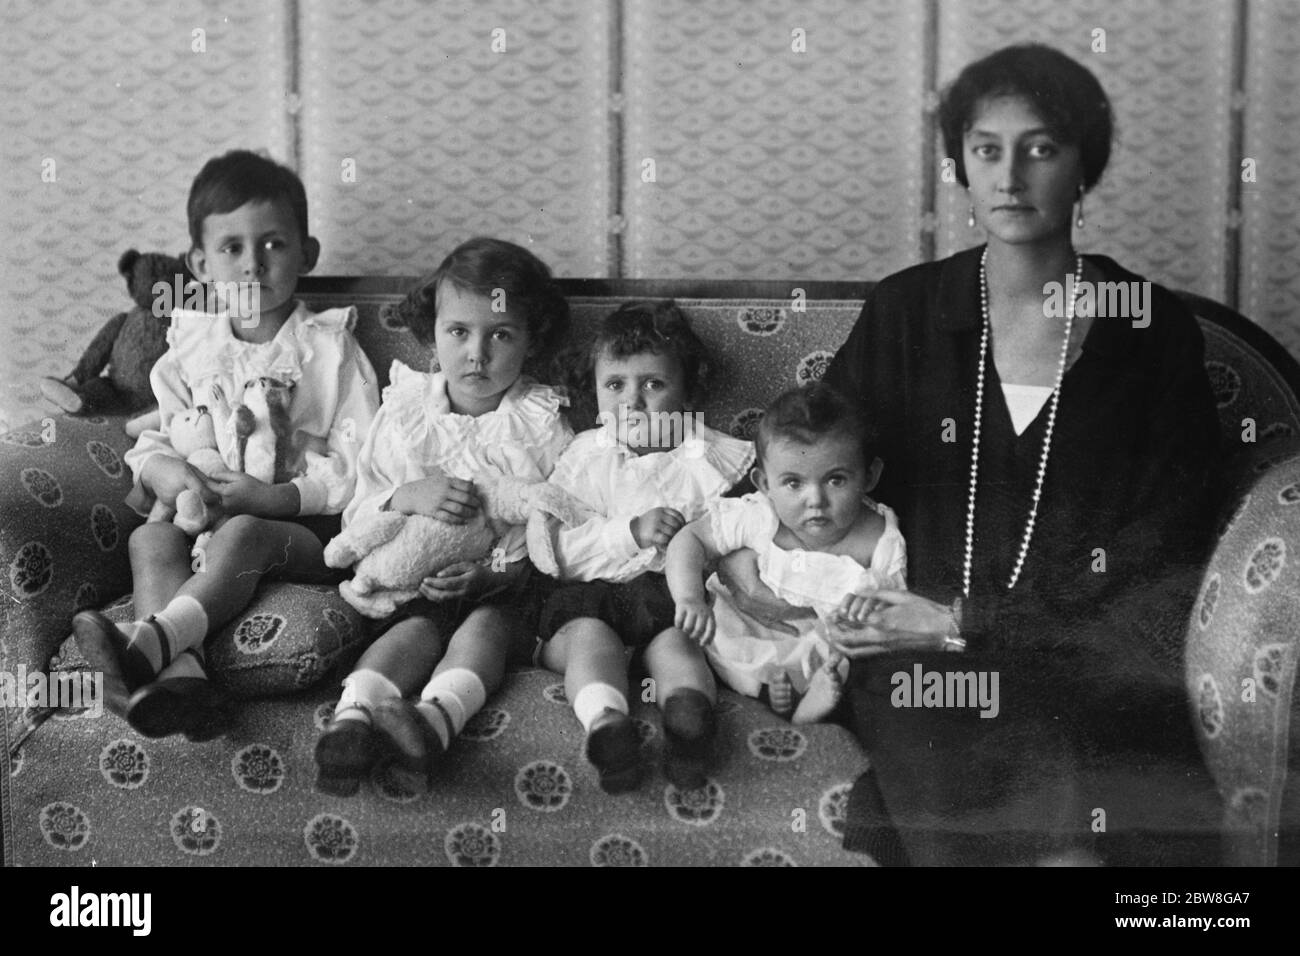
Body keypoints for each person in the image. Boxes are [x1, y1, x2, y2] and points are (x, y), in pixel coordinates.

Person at [722, 44, 1223, 866]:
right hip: (913, 660)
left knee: (1064, 738)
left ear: (1084, 167)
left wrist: (967, 620)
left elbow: (1166, 545)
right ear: (961, 164)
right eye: (987, 149)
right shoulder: (909, 314)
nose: (1011, 176)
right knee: (916, 692)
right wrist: (750, 570)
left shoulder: (1146, 328)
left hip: (1087, 649)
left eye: (1043, 148)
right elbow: (799, 478)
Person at [73, 149, 380, 741]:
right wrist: (163, 468)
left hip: (306, 536)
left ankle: (150, 646)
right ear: (200, 261)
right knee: (150, 536)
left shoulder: (331, 349)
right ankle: (185, 681)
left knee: (243, 531)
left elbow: (363, 458)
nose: (252, 265)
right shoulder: (190, 347)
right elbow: (159, 431)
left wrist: (274, 498)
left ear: (307, 253)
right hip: (200, 523)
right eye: (232, 248)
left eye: (273, 245)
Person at [313, 237, 573, 797]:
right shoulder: (405, 409)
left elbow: (553, 515)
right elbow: (359, 511)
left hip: (500, 589)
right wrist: (407, 495)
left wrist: (496, 571)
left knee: (483, 630)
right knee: (409, 634)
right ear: (433, 331)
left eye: (500, 334)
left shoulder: (541, 422)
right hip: (412, 585)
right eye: (459, 332)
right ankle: (353, 721)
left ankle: (434, 721)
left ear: (531, 341)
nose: (476, 354)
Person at [528, 300, 754, 791]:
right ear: (594, 390)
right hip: (591, 598)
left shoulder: (709, 457)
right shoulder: (585, 455)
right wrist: (627, 532)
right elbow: (558, 554)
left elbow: (738, 539)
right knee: (590, 641)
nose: (632, 402)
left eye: (653, 384)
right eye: (615, 385)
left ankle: (688, 719)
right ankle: (608, 726)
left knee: (678, 644)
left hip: (668, 598)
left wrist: (694, 557)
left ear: (687, 388)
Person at [666, 383, 906, 724]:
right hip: (744, 624)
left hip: (820, 642)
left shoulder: (880, 539)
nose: (815, 500)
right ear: (764, 484)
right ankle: (774, 695)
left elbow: (898, 612)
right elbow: (690, 538)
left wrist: (875, 606)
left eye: (835, 480)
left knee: (852, 656)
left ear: (869, 476)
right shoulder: (760, 515)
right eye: (794, 483)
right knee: (709, 632)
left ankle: (807, 698)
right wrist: (689, 597)